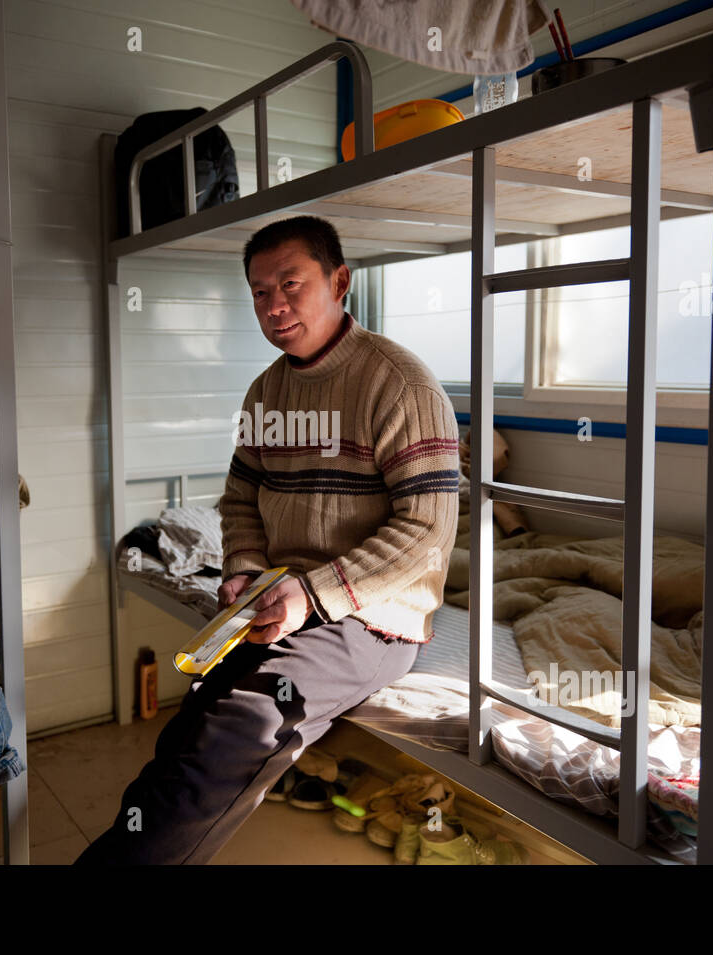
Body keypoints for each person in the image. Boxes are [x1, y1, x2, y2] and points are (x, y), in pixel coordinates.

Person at [74, 215, 460, 864]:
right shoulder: (268, 392)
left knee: (237, 732)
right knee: (190, 731)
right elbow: (242, 498)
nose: (274, 305)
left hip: (371, 616)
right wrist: (246, 568)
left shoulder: (399, 384)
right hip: (278, 597)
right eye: (259, 291)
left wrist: (309, 594)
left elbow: (427, 533)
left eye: (291, 283)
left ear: (340, 281)